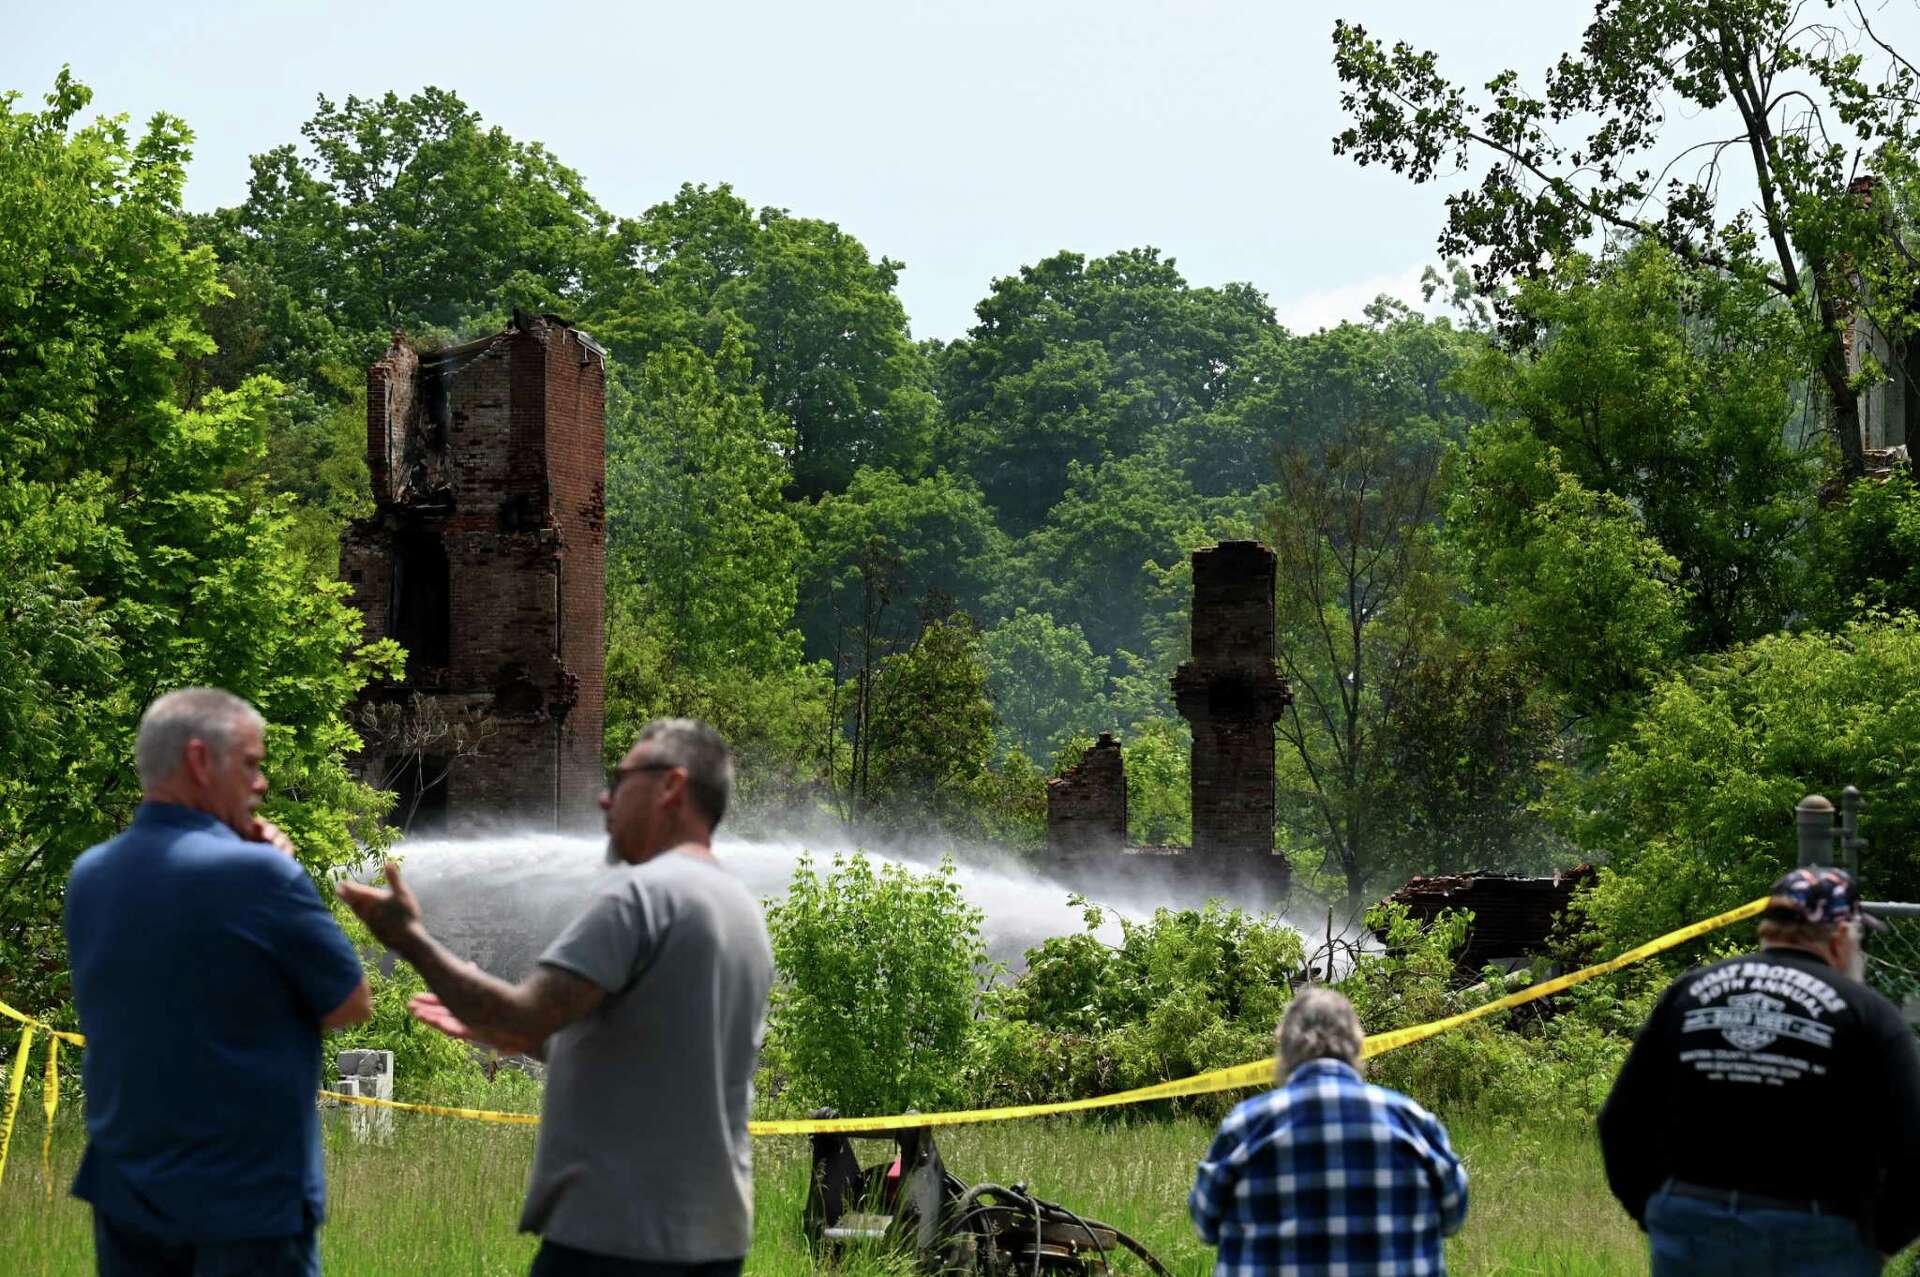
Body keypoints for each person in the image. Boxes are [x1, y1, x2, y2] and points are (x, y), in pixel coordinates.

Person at [338, 717, 775, 1277]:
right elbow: (645, 1060)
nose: (602, 799)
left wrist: (411, 942)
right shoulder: (740, 911)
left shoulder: (641, 897)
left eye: (620, 782)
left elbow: (524, 1018)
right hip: (711, 1239)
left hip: (618, 1238)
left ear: (671, 787)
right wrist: (501, 1028)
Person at [65, 687, 372, 1277]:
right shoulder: (259, 872)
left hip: (125, 1190)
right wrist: (283, 867)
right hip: (246, 1199)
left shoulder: (91, 874)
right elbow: (349, 1003)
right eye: (252, 765)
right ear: (202, 761)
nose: (260, 785)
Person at [1598, 866, 1920, 1275]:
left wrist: (1660, 1211)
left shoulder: (1689, 991)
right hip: (1819, 1231)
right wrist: (1877, 1243)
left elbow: (1620, 1120)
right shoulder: (1867, 1012)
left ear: (1768, 930)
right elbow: (1914, 1145)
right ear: (1841, 937)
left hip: (1693, 1219)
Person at [1189, 986, 1468, 1276]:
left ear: (1282, 1044)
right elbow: (1454, 1216)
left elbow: (1203, 1223)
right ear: (1357, 1045)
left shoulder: (1245, 1126)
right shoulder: (1413, 1122)